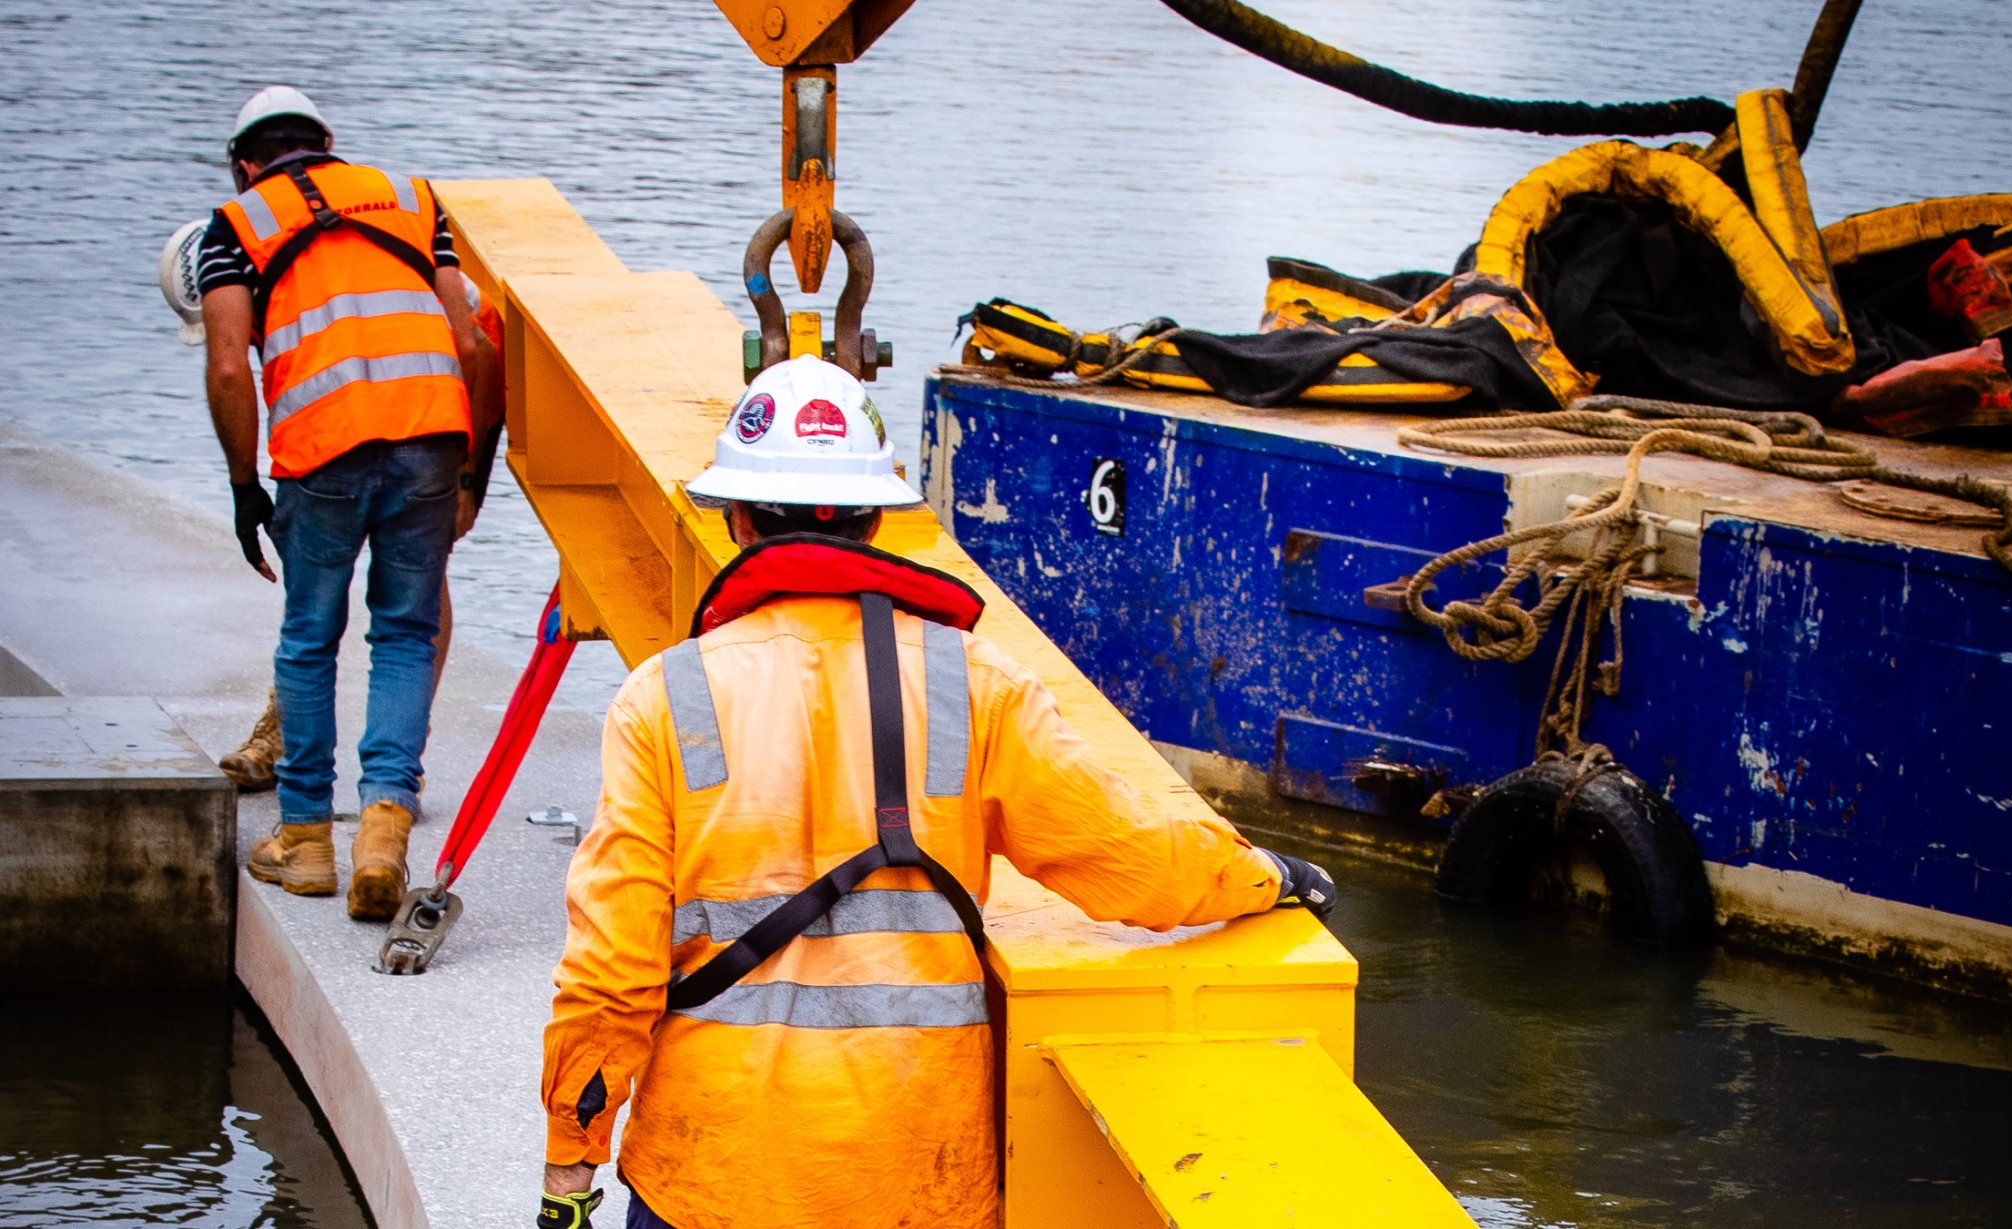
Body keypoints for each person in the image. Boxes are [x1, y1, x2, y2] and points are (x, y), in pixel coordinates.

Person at [535, 354, 1336, 1229]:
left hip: (713, 1172)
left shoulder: (665, 696)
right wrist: (1266, 875)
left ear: (735, 520)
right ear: (879, 520)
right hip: (916, 1169)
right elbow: (1135, 860)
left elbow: (611, 968)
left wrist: (569, 1170)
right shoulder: (975, 683)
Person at [195, 86, 496, 920]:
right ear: (328, 144)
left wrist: (243, 486)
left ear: (246, 163)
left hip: (322, 451)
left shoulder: (237, 222)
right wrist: (468, 466)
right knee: (406, 631)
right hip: (432, 433)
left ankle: (304, 841)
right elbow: (468, 339)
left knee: (309, 637)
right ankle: (383, 835)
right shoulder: (408, 198)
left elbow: (227, 366)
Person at [162, 226, 505, 793]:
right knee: (324, 575)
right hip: (395, 370)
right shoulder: (283, 264)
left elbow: (480, 356)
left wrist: (466, 479)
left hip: (455, 379)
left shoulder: (293, 283)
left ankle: (380, 760)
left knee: (410, 583)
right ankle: (290, 738)